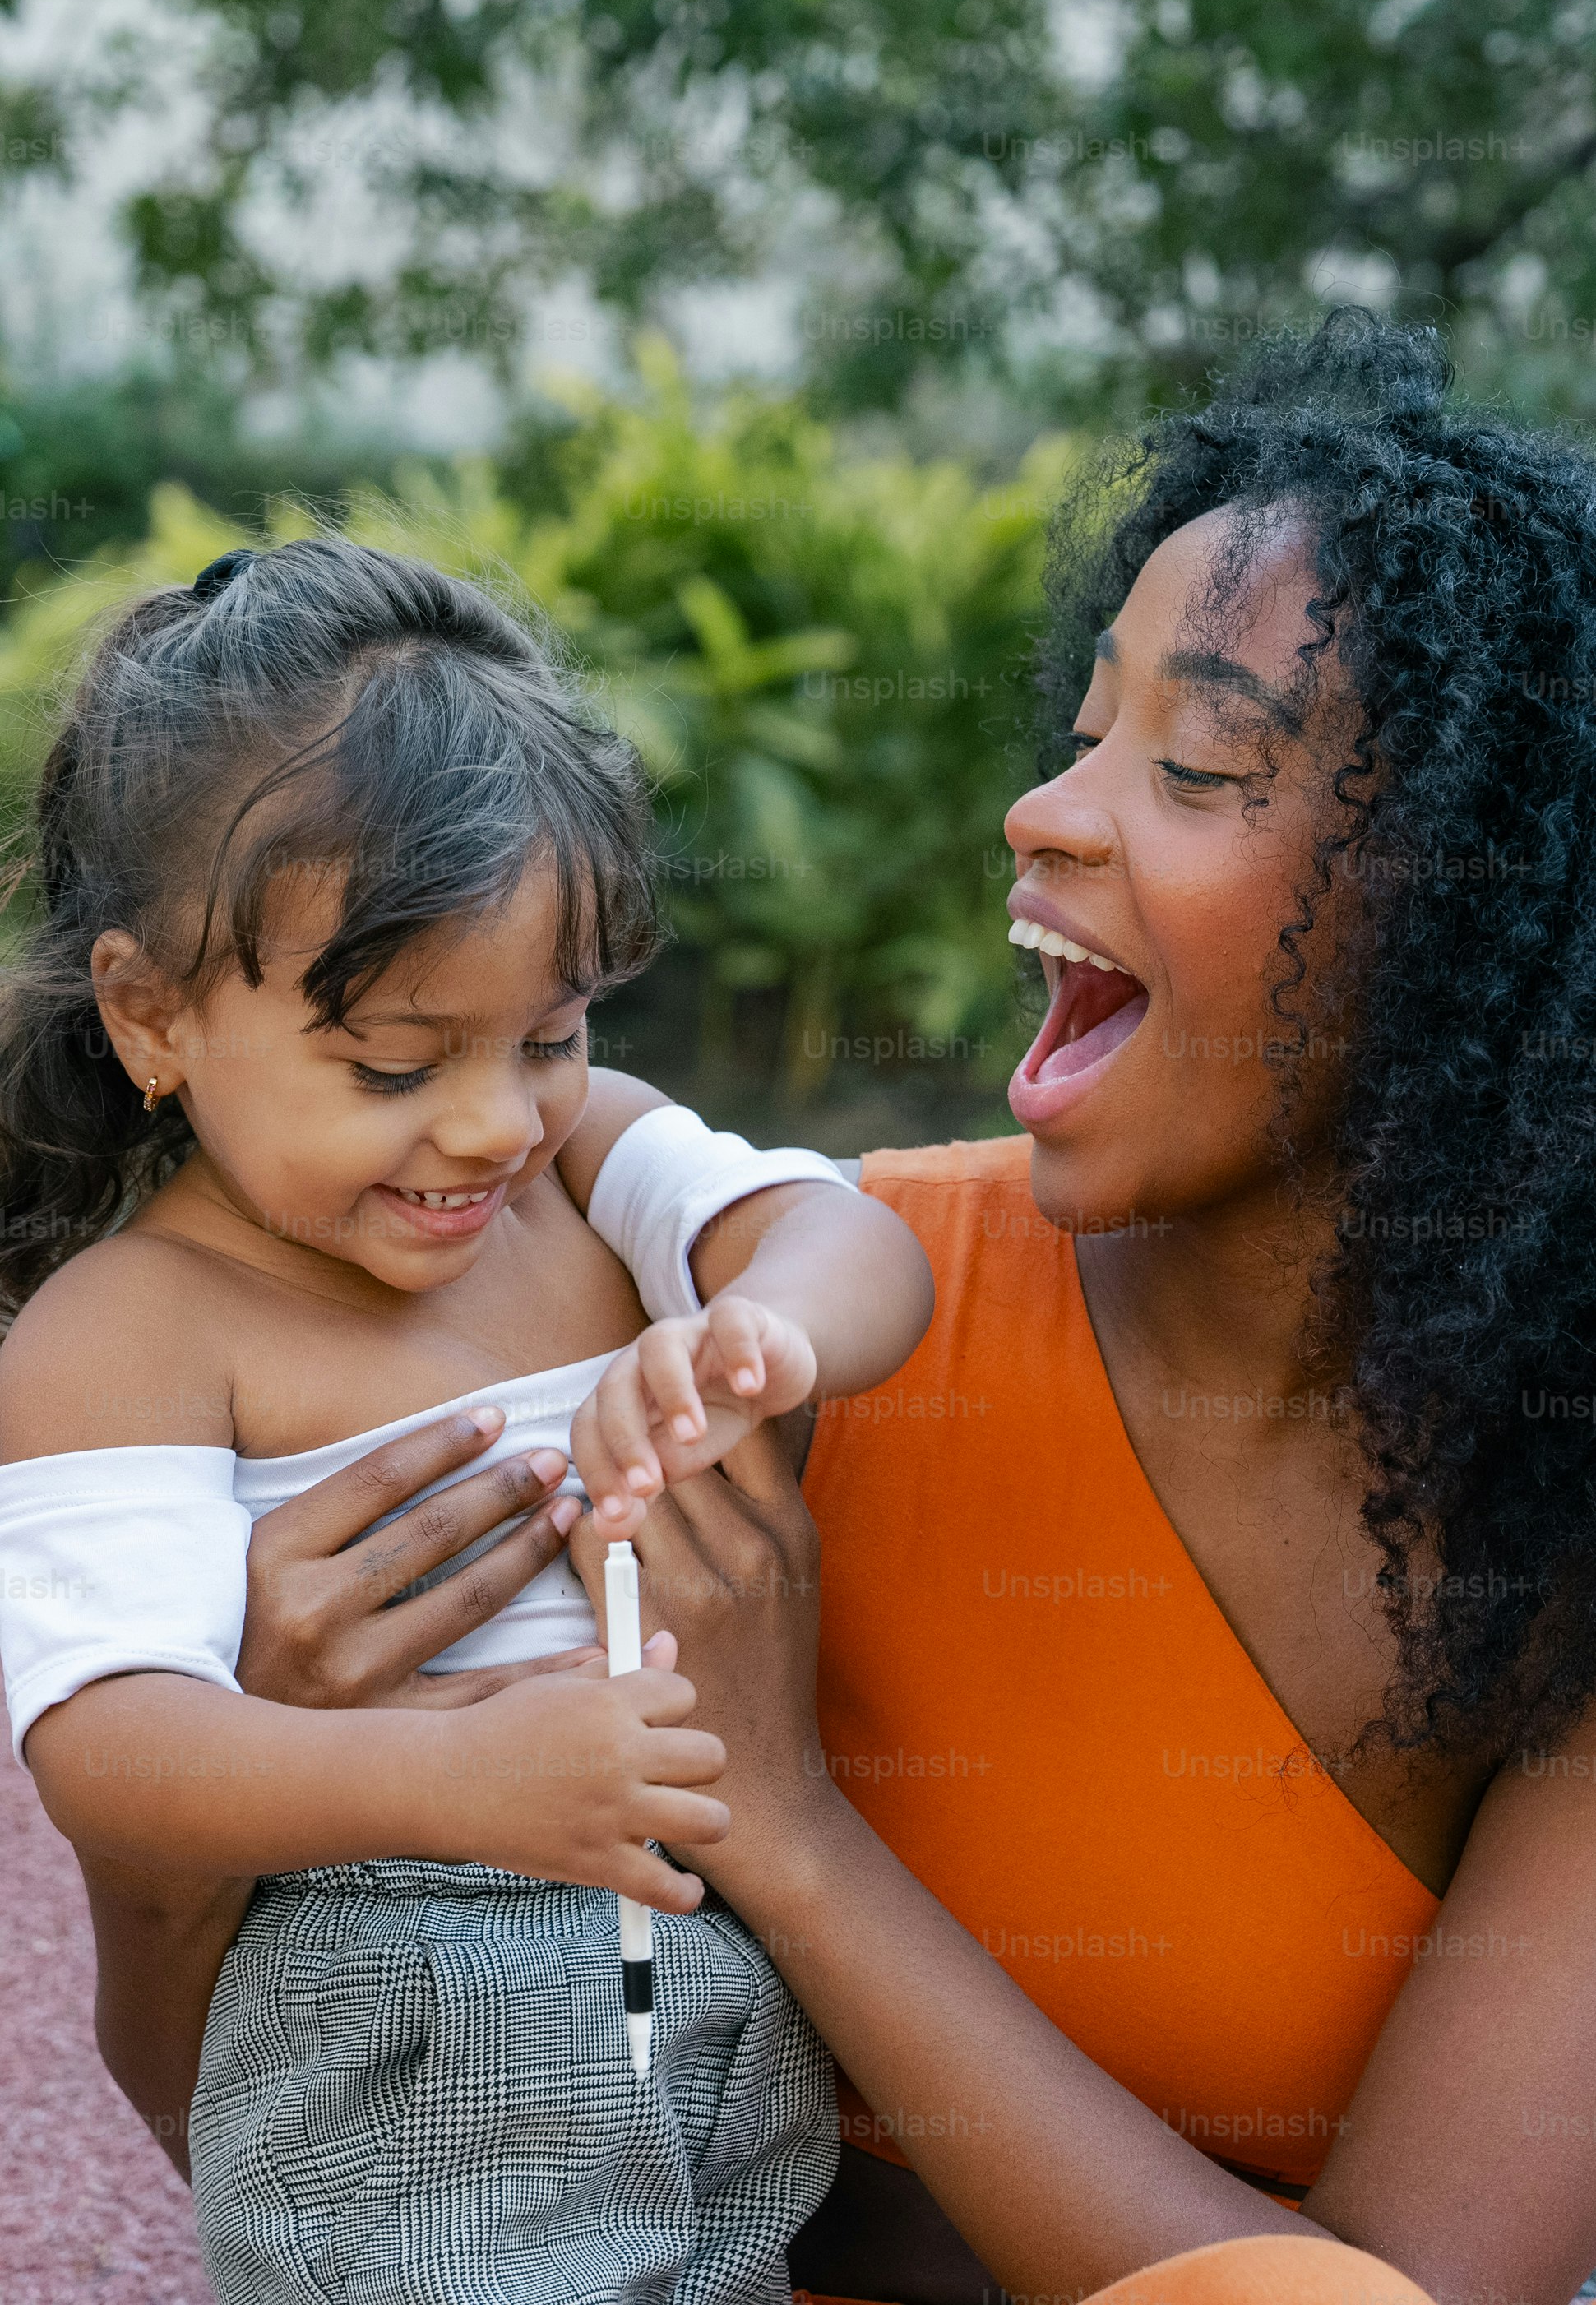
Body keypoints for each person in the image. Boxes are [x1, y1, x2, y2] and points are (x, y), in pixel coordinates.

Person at [39, 310, 1596, 2305]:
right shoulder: (754, 1341)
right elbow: (265, 2138)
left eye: (1197, 761)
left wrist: (784, 1830)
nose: (1045, 810)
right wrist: (240, 1816)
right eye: (1082, 722)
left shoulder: (1546, 1535)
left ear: (1481, 916)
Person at [0, 538, 935, 2305]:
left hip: (711, 1973)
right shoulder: (125, 1332)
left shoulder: (579, 1172)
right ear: (153, 1016)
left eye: (553, 1032)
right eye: (397, 1064)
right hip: (412, 2005)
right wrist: (452, 1779)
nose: (495, 1122)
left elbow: (853, 1241)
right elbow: (106, 1745)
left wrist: (759, 1329)